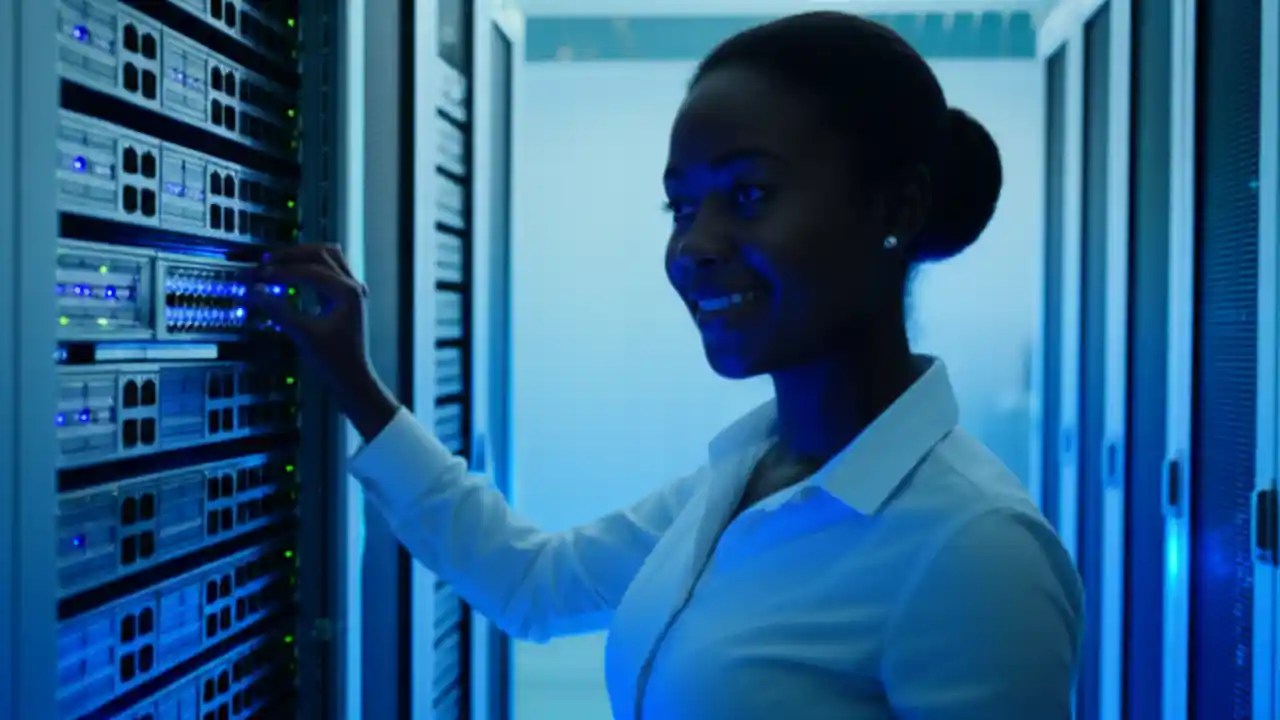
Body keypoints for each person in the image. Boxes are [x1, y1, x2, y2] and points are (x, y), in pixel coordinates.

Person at [254, 11, 1082, 720]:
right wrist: (353, 382)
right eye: (681, 206)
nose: (693, 246)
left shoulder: (974, 548)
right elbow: (533, 581)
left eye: (749, 194)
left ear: (895, 208)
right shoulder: (747, 478)